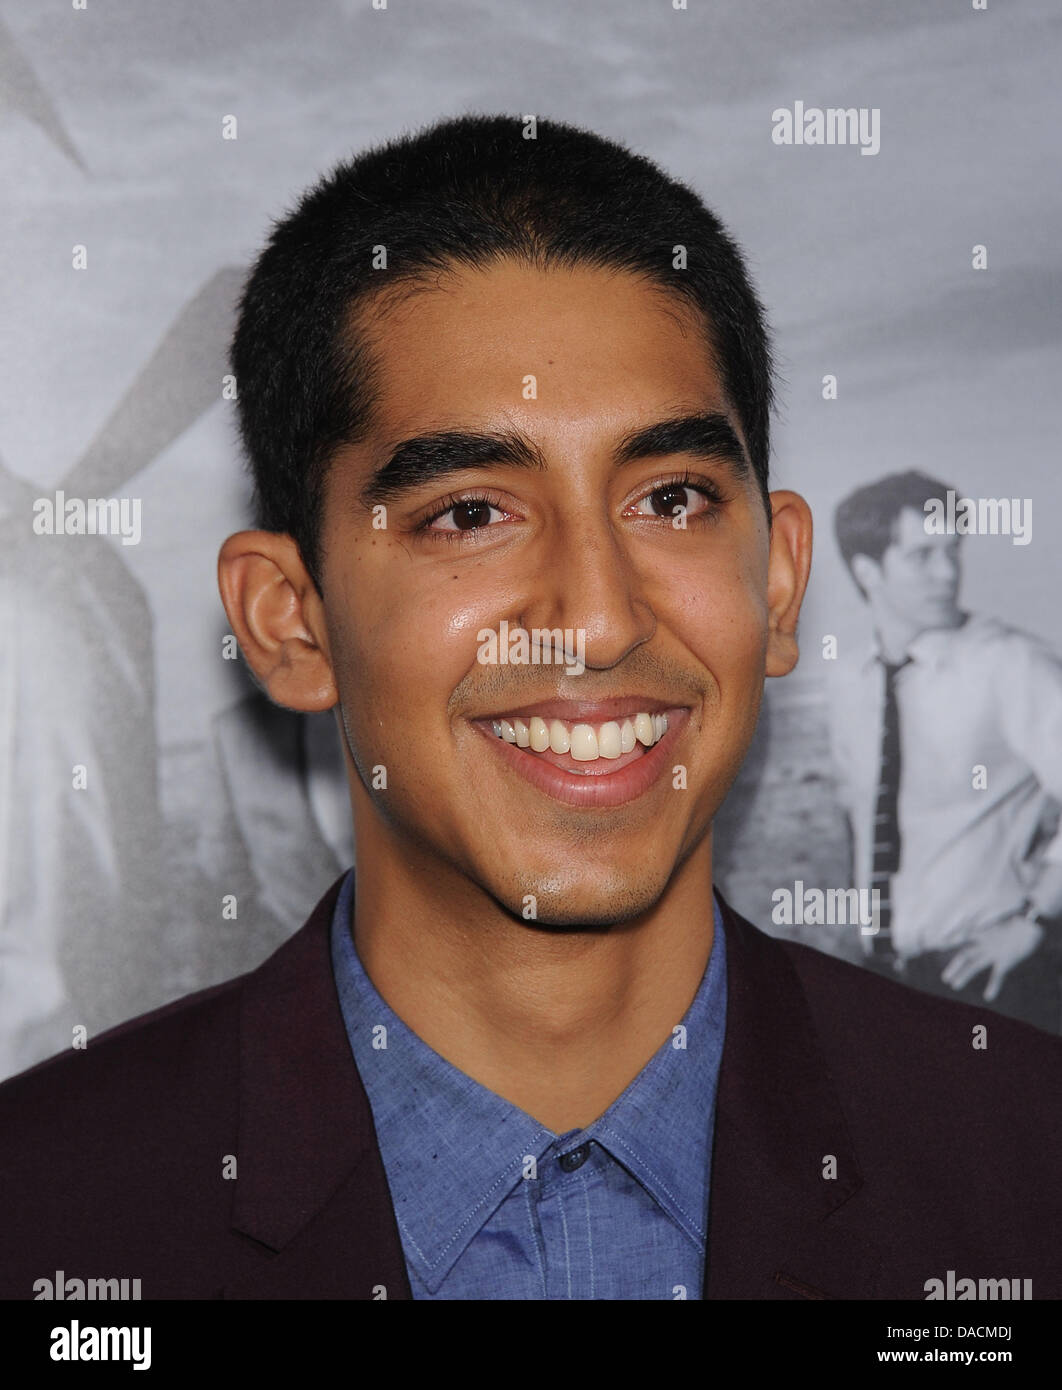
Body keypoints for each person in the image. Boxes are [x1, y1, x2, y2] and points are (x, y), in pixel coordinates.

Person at [2, 114, 1060, 1302]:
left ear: (776, 585)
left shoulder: (1028, 1176)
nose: (600, 617)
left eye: (670, 497)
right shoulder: (43, 1218)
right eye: (468, 513)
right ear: (290, 623)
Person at [829, 471, 1062, 1032]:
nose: (948, 572)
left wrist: (1035, 923)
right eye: (923, 555)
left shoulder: (1012, 665)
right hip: (889, 982)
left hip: (1000, 979)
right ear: (868, 571)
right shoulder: (850, 684)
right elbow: (859, 823)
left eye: (953, 550)